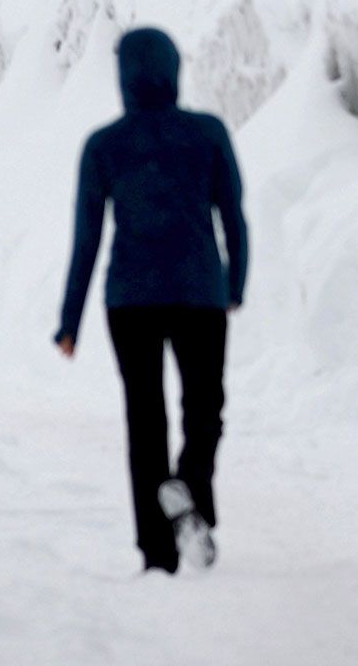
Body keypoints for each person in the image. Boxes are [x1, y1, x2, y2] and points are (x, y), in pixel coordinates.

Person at [56, 28, 248, 576]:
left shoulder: (104, 145)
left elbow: (87, 239)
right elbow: (232, 214)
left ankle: (157, 552)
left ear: (124, 78)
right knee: (204, 411)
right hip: (199, 294)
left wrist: (70, 320)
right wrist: (236, 281)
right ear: (173, 70)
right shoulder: (208, 134)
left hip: (131, 301)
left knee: (146, 419)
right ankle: (190, 498)